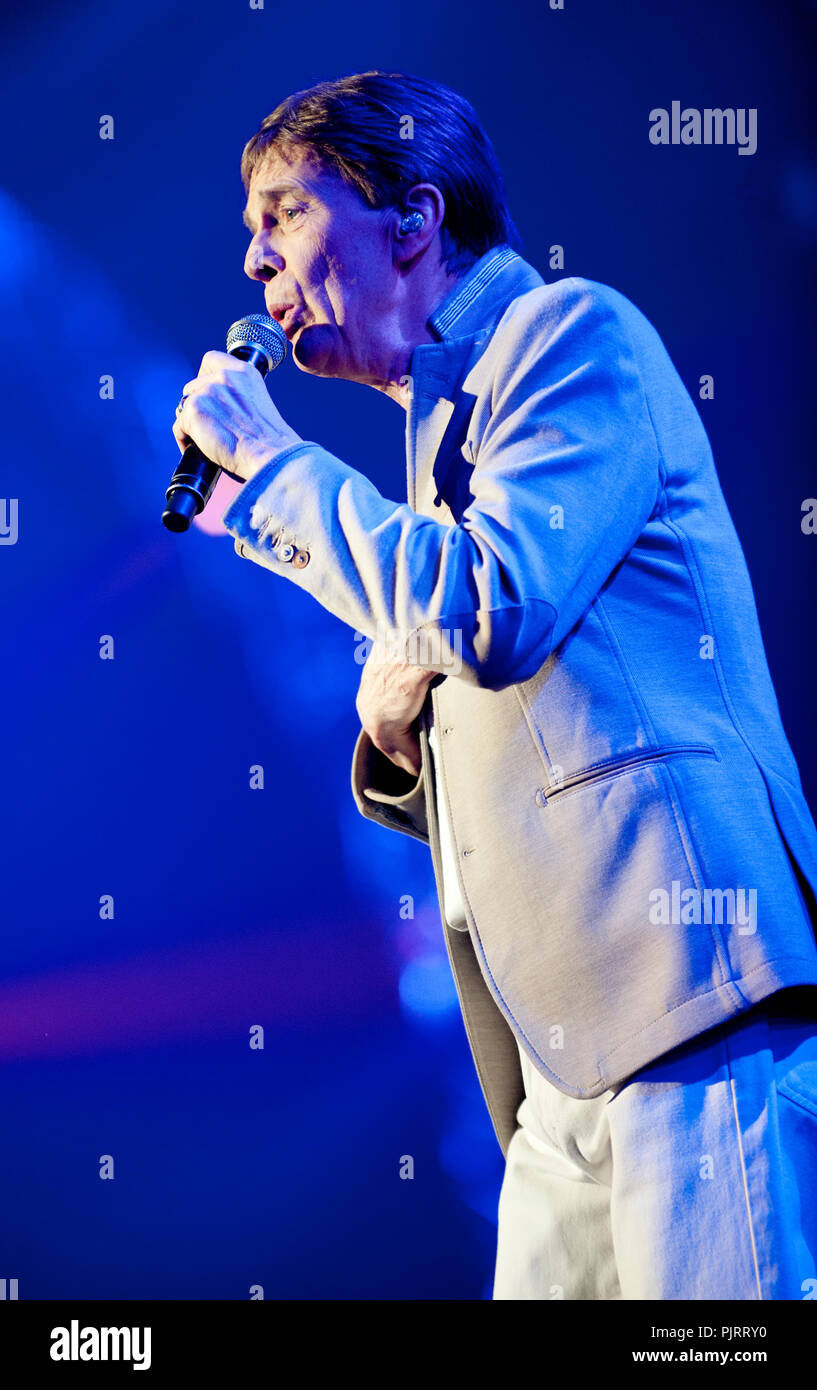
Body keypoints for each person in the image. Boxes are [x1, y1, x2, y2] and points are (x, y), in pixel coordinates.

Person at [172, 70, 817, 1300]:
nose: (253, 262)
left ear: (411, 218)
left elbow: (490, 606)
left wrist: (274, 465)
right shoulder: (439, 444)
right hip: (556, 1054)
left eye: (283, 215)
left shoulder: (571, 335)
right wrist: (406, 741)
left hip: (687, 995)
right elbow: (504, 665)